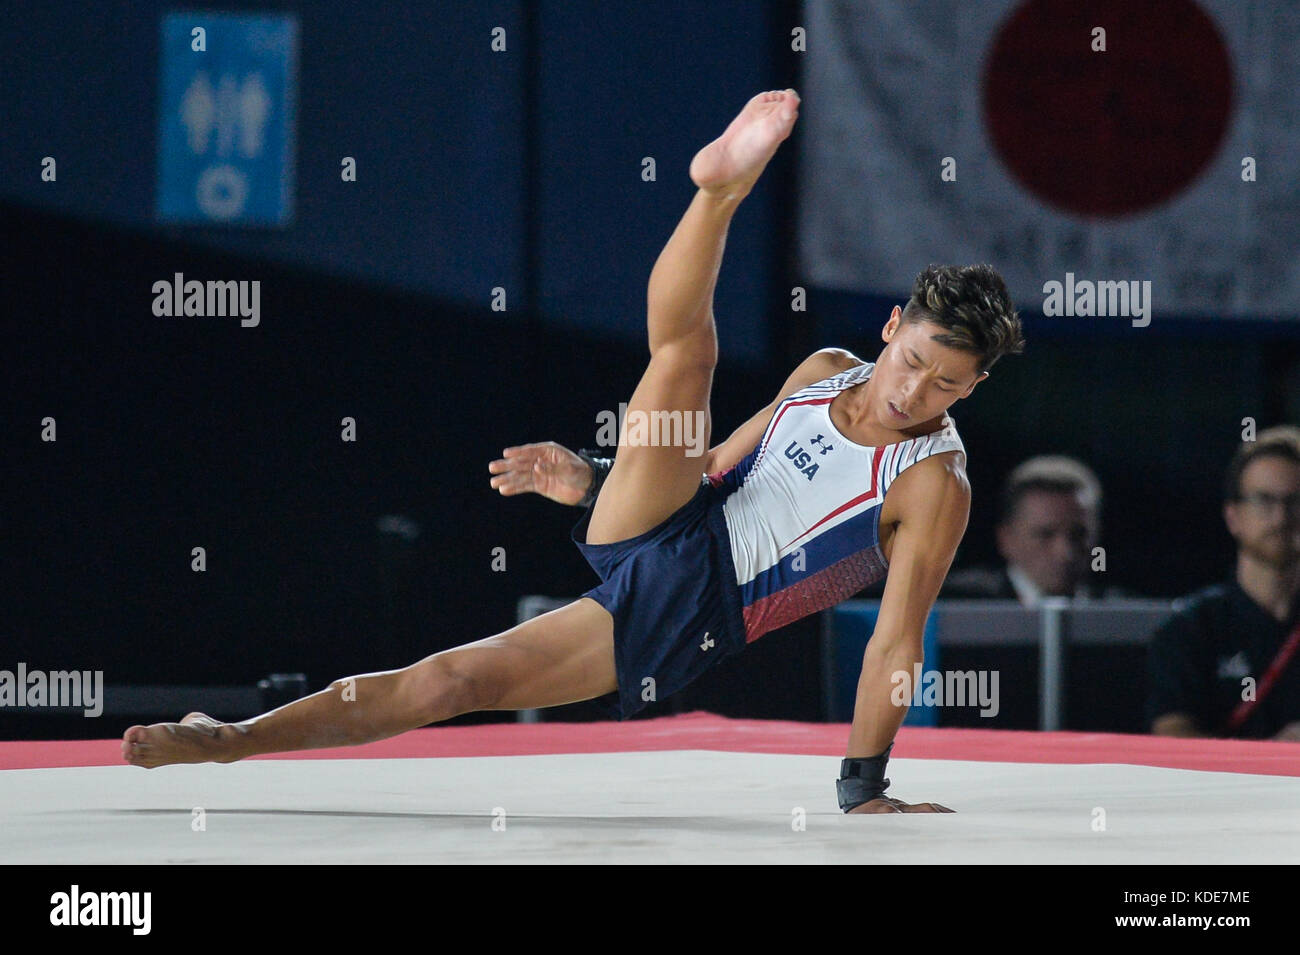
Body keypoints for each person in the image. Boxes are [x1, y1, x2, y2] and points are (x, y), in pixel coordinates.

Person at [122, 90, 1026, 812]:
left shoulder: (932, 483)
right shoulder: (828, 368)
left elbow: (898, 640)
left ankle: (234, 735)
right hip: (676, 516)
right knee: (686, 356)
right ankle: (717, 190)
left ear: (974, 388)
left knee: (448, 678)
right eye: (912, 362)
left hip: (697, 598)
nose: (915, 392)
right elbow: (712, 469)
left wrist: (864, 783)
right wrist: (598, 480)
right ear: (891, 325)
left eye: (947, 384)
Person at [1147, 426, 1300, 740]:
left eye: (1295, 501)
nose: (1281, 517)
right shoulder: (1189, 629)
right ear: (1233, 516)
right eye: (1263, 500)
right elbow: (1173, 744)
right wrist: (1276, 757)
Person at [939, 456, 1132, 604]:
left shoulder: (1122, 613)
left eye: (1079, 535)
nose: (1065, 552)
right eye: (1045, 535)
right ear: (1006, 539)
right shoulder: (955, 605)